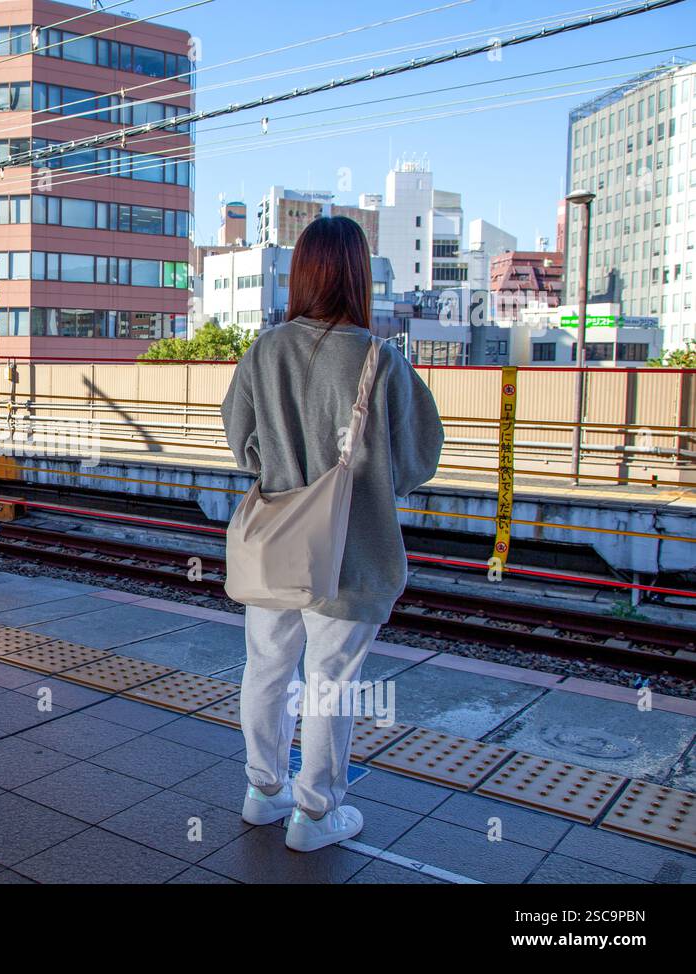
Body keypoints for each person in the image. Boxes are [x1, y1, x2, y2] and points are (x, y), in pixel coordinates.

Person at [220, 216, 443, 853]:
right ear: (357, 275)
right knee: (329, 682)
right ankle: (315, 815)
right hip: (352, 551)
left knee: (265, 669)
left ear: (302, 273)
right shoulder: (379, 358)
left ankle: (264, 791)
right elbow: (419, 459)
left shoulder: (264, 350)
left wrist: (278, 461)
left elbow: (241, 440)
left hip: (275, 545)